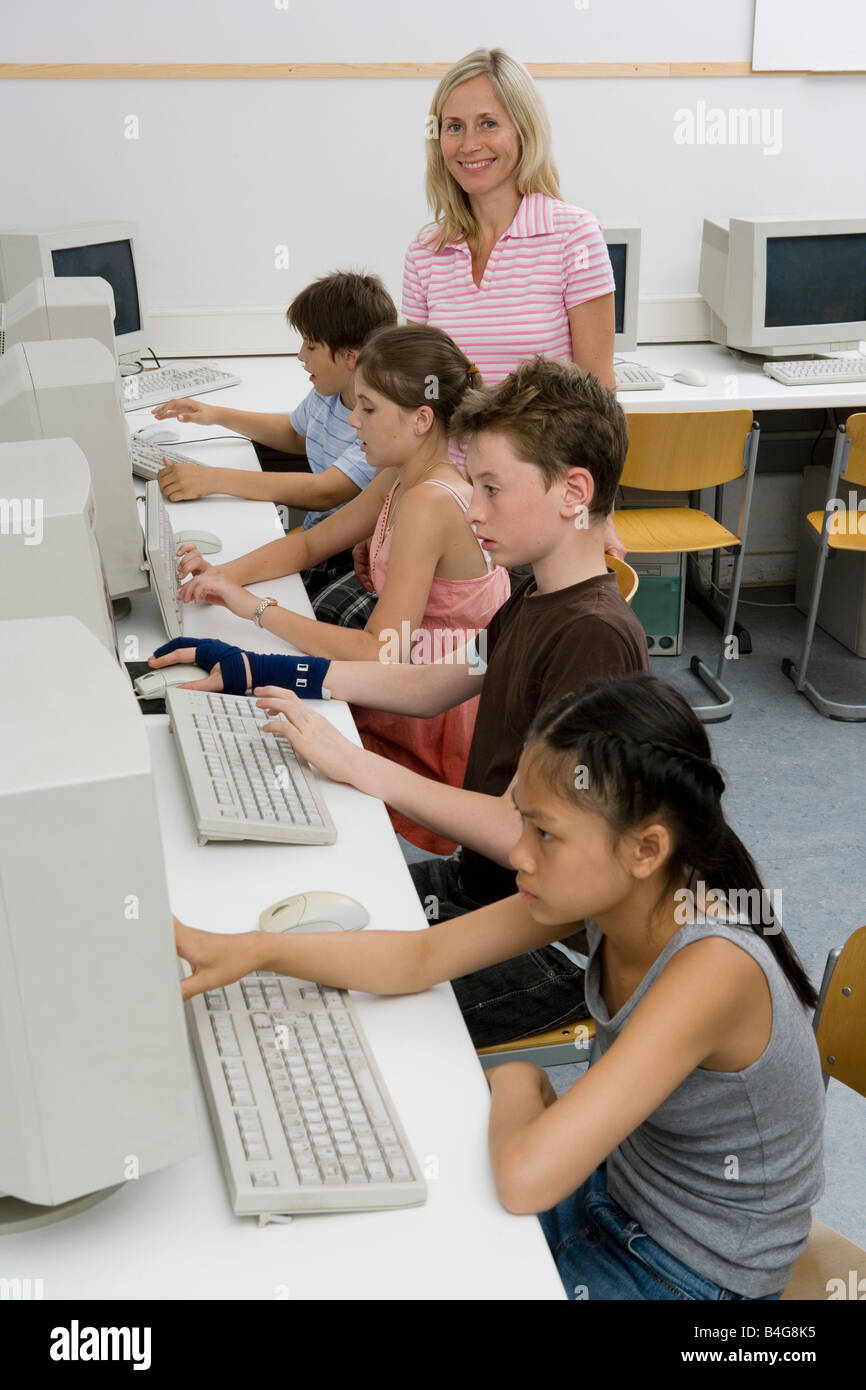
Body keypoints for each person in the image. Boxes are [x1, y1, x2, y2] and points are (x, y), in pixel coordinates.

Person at [173, 672, 825, 1301]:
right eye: (523, 823)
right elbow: (421, 956)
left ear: (645, 849)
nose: (519, 853)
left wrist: (517, 1079)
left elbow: (524, 1179)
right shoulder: (612, 890)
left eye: (545, 833)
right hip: (610, 1198)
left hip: (690, 1274)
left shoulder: (711, 968)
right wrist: (253, 951)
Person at [151, 357, 648, 1039]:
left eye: (493, 489)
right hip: (480, 894)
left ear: (574, 492)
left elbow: (522, 830)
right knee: (272, 936)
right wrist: (256, 668)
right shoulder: (535, 594)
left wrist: (359, 766)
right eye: (473, 485)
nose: (473, 510)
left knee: (304, 1012)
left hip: (546, 940)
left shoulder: (592, 639)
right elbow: (428, 684)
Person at [155, 323, 511, 850]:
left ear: (420, 420)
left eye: (368, 408)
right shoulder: (402, 472)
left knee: (269, 749)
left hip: (428, 714)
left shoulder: (432, 502)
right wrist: (223, 575)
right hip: (404, 682)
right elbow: (310, 545)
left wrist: (254, 608)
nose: (352, 419)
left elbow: (378, 653)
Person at [343, 45, 624, 612]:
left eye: (488, 124)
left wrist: (600, 516)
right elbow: (414, 403)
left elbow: (600, 394)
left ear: (523, 131)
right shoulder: (427, 251)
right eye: (454, 127)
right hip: (445, 509)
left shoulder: (573, 236)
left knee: (502, 676)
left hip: (534, 508)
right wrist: (389, 512)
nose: (469, 144)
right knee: (404, 663)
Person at [150, 270, 397, 627]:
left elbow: (326, 491)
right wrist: (216, 414)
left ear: (350, 356)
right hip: (320, 540)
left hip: (341, 552)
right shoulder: (329, 395)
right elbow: (297, 433)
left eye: (311, 346)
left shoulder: (377, 426)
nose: (300, 355)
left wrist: (212, 479)